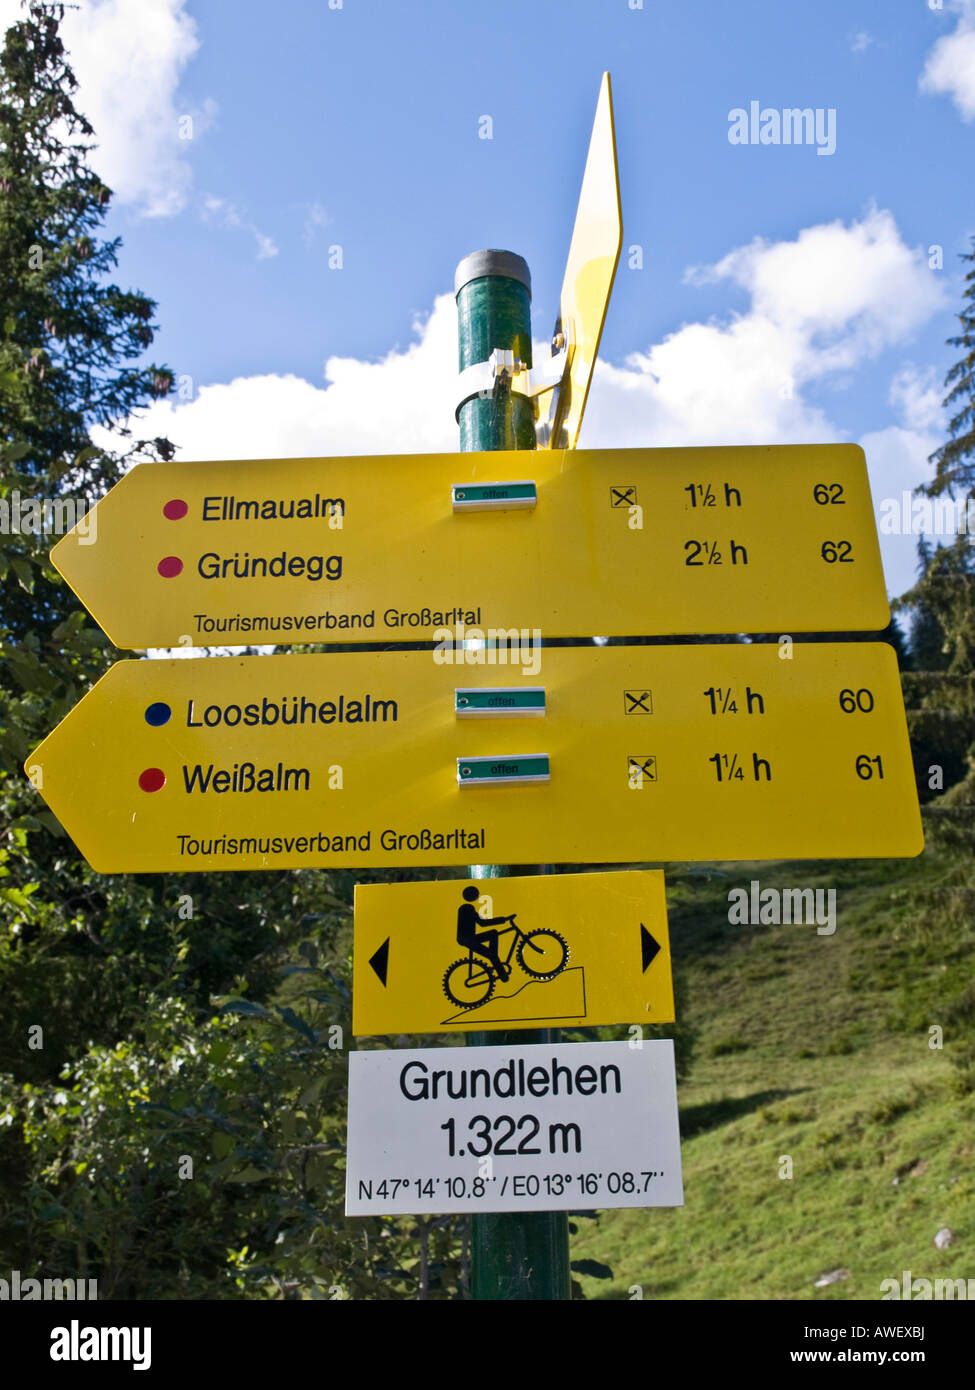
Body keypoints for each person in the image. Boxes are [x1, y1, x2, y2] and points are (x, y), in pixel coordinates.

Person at [456, 885, 514, 982]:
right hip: (468, 940)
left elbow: (482, 923)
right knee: (492, 952)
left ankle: (494, 958)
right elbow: (483, 923)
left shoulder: (465, 908)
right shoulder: (468, 908)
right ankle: (502, 974)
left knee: (493, 933)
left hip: (468, 938)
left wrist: (503, 920)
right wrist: (503, 920)